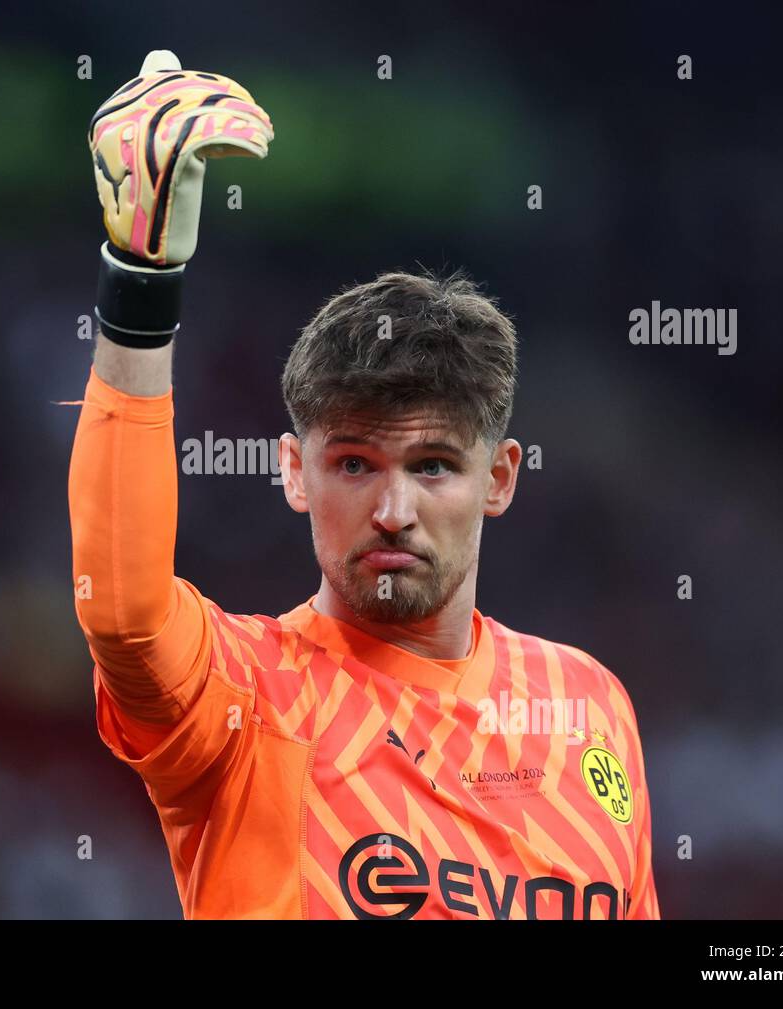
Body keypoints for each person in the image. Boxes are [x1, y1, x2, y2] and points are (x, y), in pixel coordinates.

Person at [68, 51, 659, 920]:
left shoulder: (588, 703)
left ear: (498, 478)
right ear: (293, 472)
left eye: (432, 466)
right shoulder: (251, 699)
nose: (392, 510)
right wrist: (141, 281)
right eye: (353, 464)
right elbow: (122, 611)